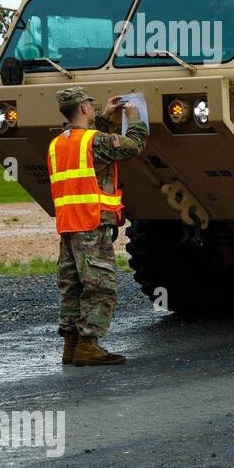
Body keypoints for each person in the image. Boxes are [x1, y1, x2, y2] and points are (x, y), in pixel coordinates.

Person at [49, 86, 148, 365]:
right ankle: (89, 345)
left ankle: (71, 345)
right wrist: (135, 119)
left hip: (69, 224)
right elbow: (134, 146)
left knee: (72, 285)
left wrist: (103, 117)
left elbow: (93, 149)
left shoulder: (58, 143)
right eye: (91, 105)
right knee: (100, 284)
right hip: (91, 222)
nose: (93, 108)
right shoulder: (94, 142)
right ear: (82, 108)